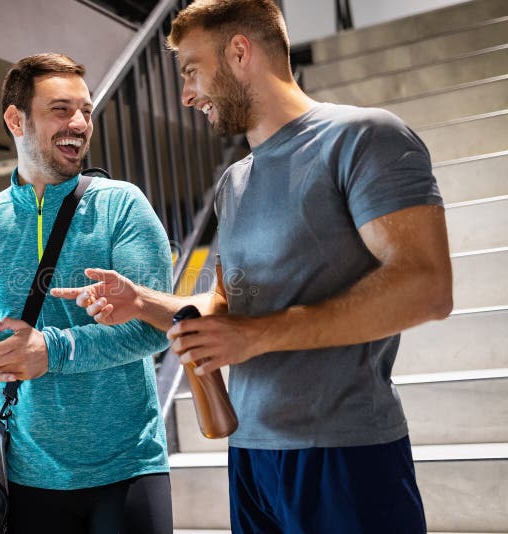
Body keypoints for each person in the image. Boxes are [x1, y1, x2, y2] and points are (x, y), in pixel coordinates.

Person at [52, 1, 453, 532]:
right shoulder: (234, 181)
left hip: (345, 453)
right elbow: (225, 303)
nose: (187, 95)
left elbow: (427, 286)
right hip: (251, 456)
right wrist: (141, 302)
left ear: (240, 52)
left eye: (192, 71)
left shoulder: (363, 138)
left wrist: (256, 337)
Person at [0, 53, 174, 534]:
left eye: (86, 111)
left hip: (128, 465)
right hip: (27, 473)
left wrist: (51, 350)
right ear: (15, 119)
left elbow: (157, 328)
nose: (81, 123)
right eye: (61, 110)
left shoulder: (122, 206)